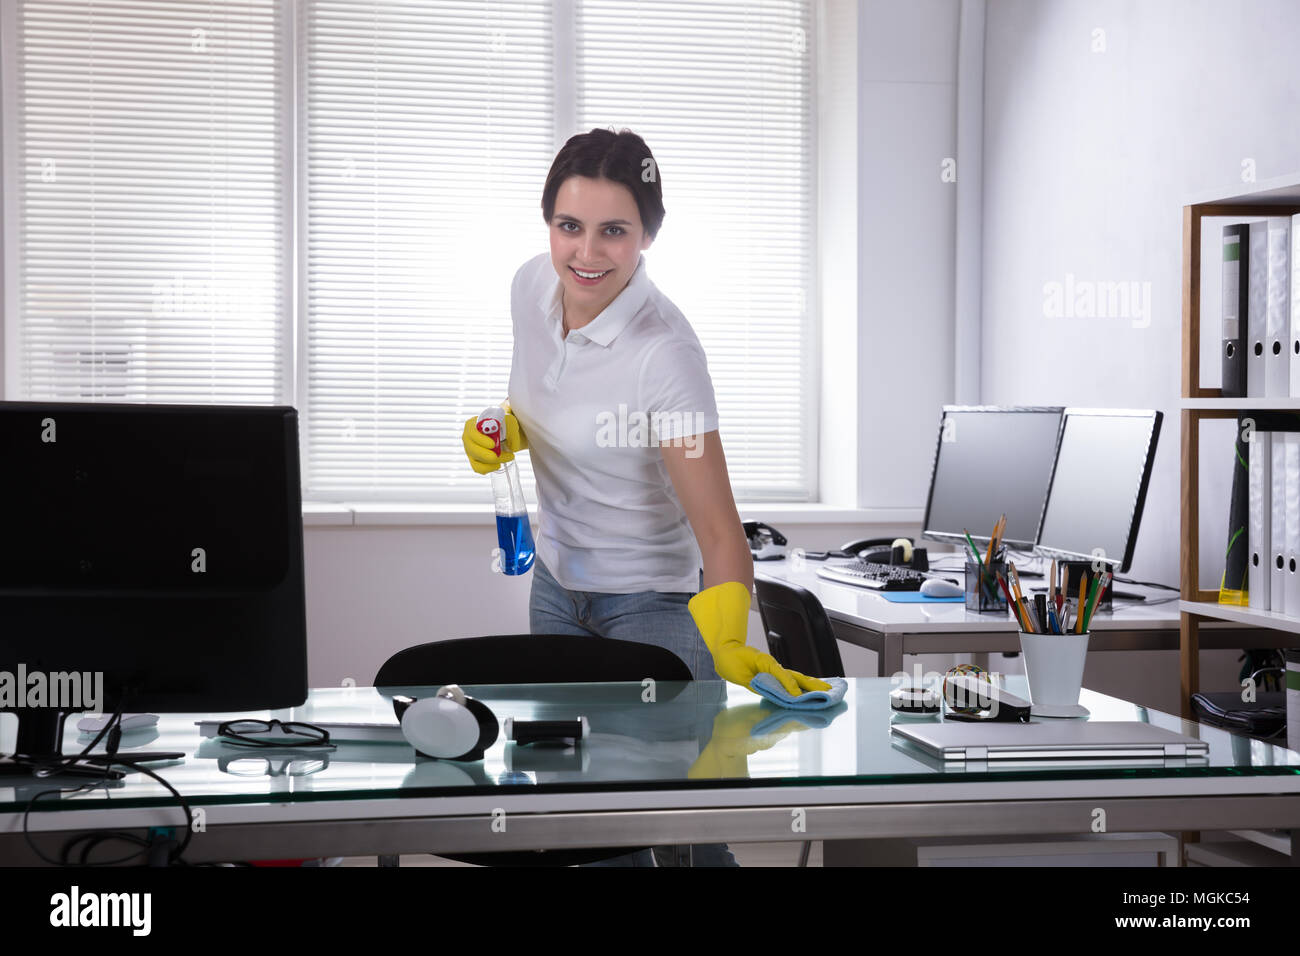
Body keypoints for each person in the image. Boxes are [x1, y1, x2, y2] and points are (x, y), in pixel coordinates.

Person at [462, 128, 829, 866]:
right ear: (548, 224)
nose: (586, 254)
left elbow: (721, 532)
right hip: (557, 590)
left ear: (647, 236)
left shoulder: (666, 356)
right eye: (570, 226)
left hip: (653, 611)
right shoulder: (530, 287)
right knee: (572, 825)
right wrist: (503, 430)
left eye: (614, 232)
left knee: (671, 833)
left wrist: (727, 636)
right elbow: (546, 403)